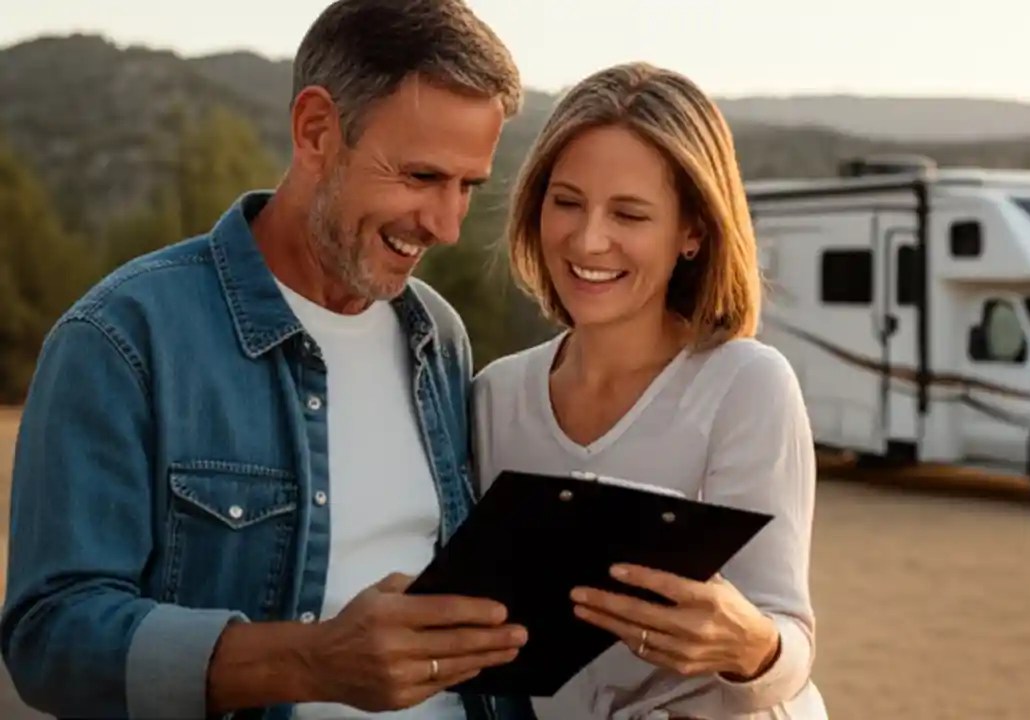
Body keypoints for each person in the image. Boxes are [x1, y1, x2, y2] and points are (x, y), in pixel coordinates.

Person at [1, 1, 537, 719]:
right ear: (316, 131)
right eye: (419, 177)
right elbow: (50, 639)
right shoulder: (122, 337)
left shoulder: (436, 334)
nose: (445, 225)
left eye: (467, 187)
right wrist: (310, 663)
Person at [471, 62, 829, 719]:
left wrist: (751, 645)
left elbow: (790, 643)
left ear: (691, 232)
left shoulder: (747, 387)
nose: (588, 240)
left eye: (629, 214)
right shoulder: (494, 398)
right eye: (567, 201)